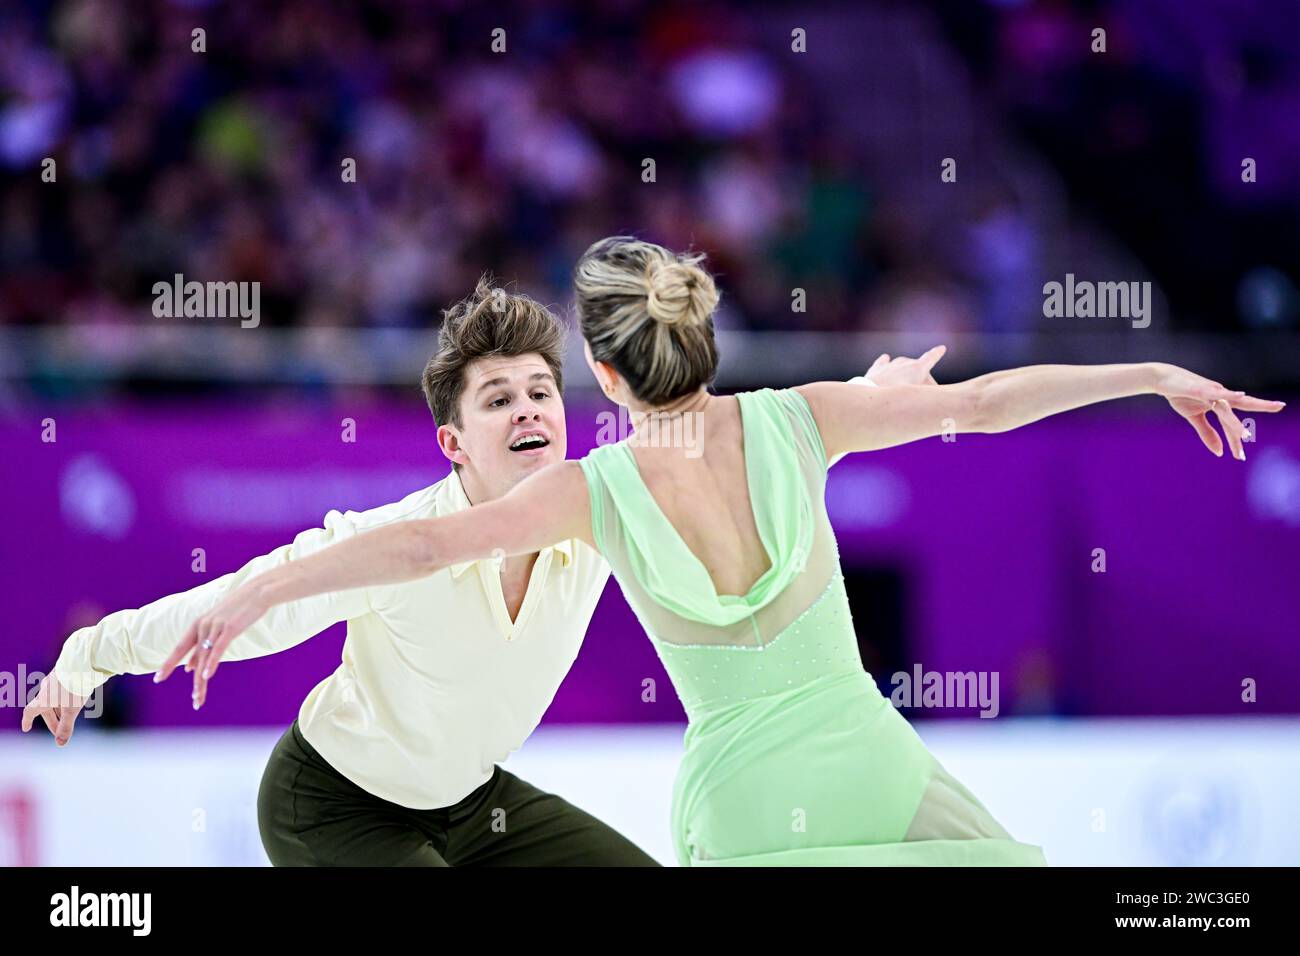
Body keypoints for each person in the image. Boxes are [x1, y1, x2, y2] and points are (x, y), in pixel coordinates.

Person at [157, 237, 1284, 866]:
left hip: (742, 800)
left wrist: (256, 592)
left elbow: (417, 546)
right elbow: (986, 402)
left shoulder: (589, 491)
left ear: (606, 377)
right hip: (872, 763)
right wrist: (1152, 373)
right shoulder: (803, 418)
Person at [20, 276, 904, 866]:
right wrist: (88, 656)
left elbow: (713, 438)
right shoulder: (400, 543)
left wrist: (866, 396)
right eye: (499, 400)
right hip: (330, 807)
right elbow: (252, 599)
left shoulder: (601, 512)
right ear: (454, 441)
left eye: (541, 393)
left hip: (474, 807)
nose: (528, 412)